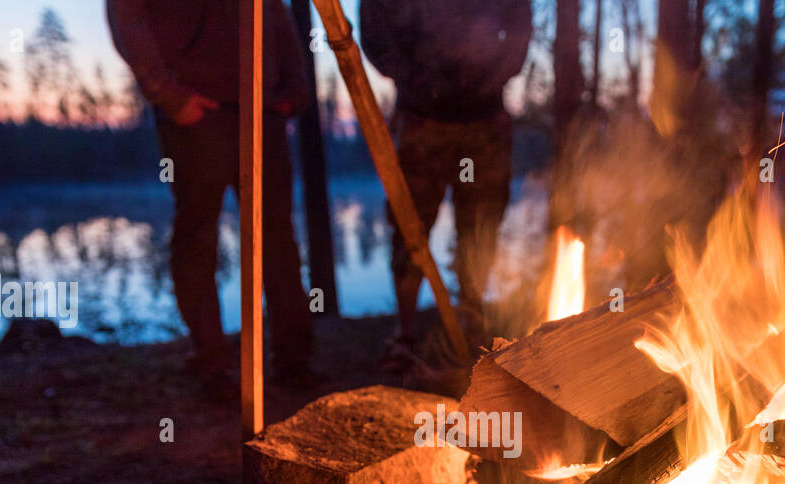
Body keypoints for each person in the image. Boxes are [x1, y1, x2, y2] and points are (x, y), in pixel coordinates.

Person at [107, 0, 317, 391]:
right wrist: (168, 94)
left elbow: (276, 14)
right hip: (199, 111)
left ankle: (293, 359)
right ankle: (212, 364)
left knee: (277, 237)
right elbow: (127, 13)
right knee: (198, 234)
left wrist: (294, 87)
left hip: (263, 109)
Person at [359, 0, 532, 368]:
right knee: (409, 226)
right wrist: (416, 78)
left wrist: (491, 78)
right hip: (423, 120)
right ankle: (405, 334)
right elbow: (374, 26)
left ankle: (471, 325)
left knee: (481, 224)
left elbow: (518, 24)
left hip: (483, 120)